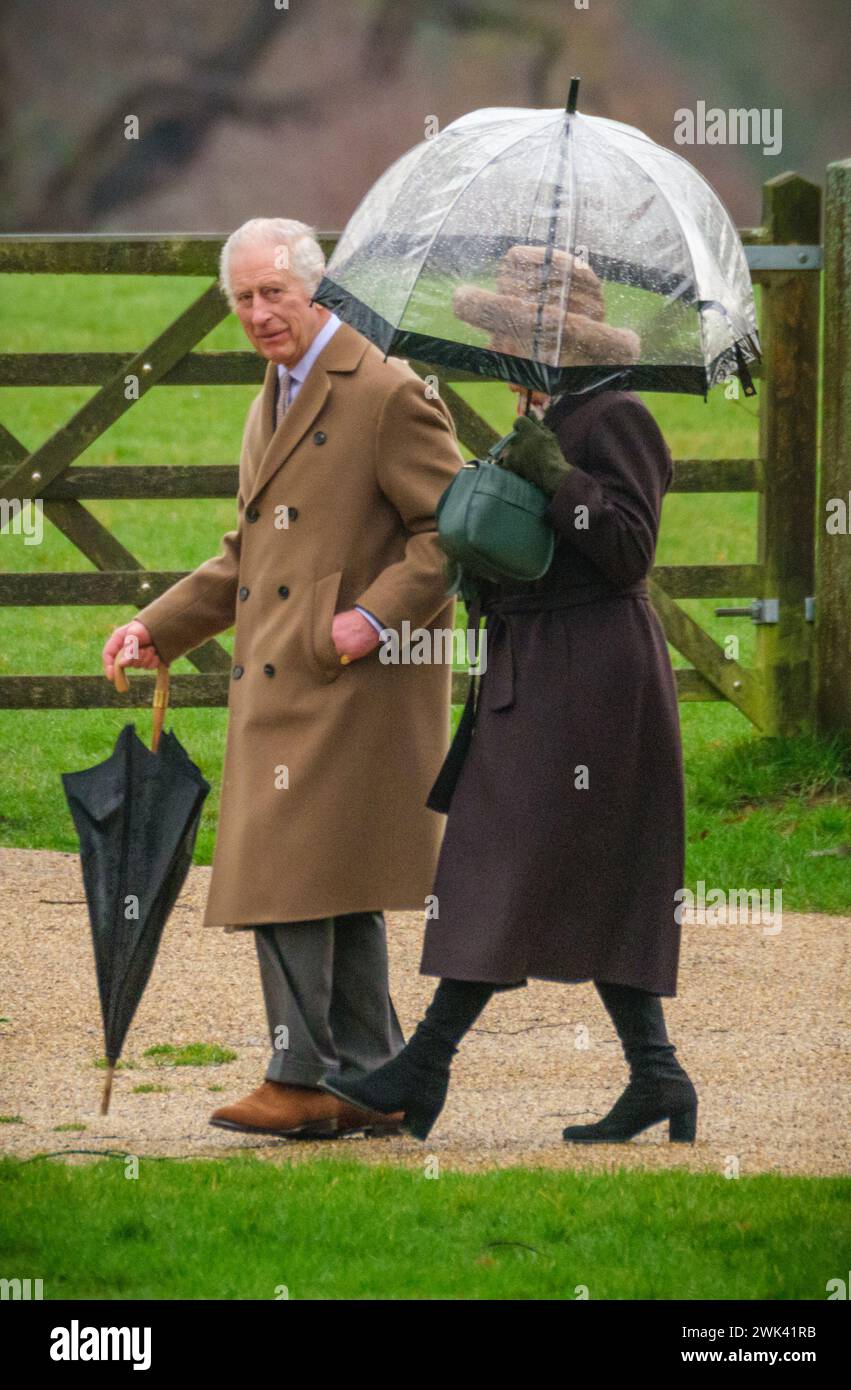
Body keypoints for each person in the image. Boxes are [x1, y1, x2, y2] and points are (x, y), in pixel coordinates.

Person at [322, 247, 697, 1145]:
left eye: (510, 331)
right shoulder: (541, 416)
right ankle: (658, 1076)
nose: (495, 344)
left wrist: (554, 473)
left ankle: (424, 1067)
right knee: (543, 861)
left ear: (559, 339)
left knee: (506, 857)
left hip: (598, 676)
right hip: (531, 665)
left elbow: (628, 553)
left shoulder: (616, 416)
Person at [102, 217, 463, 1140]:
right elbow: (249, 556)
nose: (260, 314)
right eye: (243, 299)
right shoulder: (277, 387)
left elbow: (447, 538)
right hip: (290, 682)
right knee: (330, 877)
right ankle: (375, 1080)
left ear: (318, 290)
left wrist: (373, 618)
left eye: (275, 294)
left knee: (288, 873)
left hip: (353, 680)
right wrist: (157, 626)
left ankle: (299, 1077)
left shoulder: (383, 390)